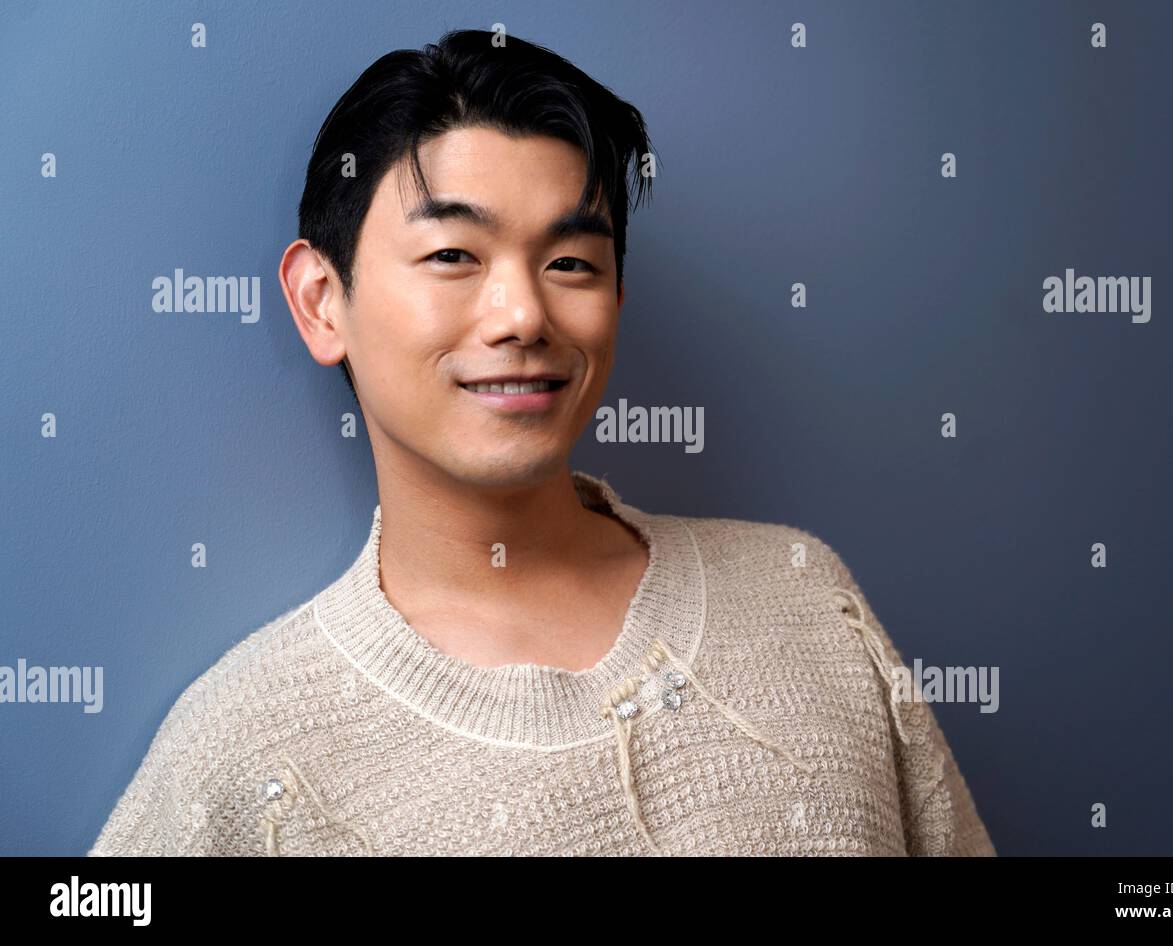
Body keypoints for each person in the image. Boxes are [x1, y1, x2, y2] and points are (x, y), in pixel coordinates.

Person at [88, 28, 995, 856]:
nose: (523, 314)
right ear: (323, 303)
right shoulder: (244, 749)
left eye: (571, 264)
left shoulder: (804, 603)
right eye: (453, 256)